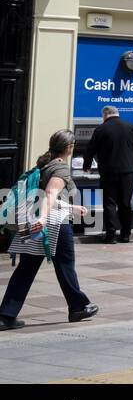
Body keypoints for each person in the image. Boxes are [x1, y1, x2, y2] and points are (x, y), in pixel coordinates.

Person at [1, 131, 98, 330]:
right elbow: (50, 194)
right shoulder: (61, 168)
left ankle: (6, 315)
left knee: (26, 269)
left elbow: (50, 198)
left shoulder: (44, 165)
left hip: (36, 221)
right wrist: (43, 218)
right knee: (65, 265)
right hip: (53, 224)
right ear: (69, 147)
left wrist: (72, 208)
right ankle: (78, 306)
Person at [86, 105, 133, 244]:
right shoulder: (130, 127)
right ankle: (125, 235)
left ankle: (111, 235)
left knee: (110, 203)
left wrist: (86, 165)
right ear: (117, 114)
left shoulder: (101, 129)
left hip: (108, 172)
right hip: (128, 172)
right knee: (125, 203)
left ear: (105, 115)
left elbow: (90, 149)